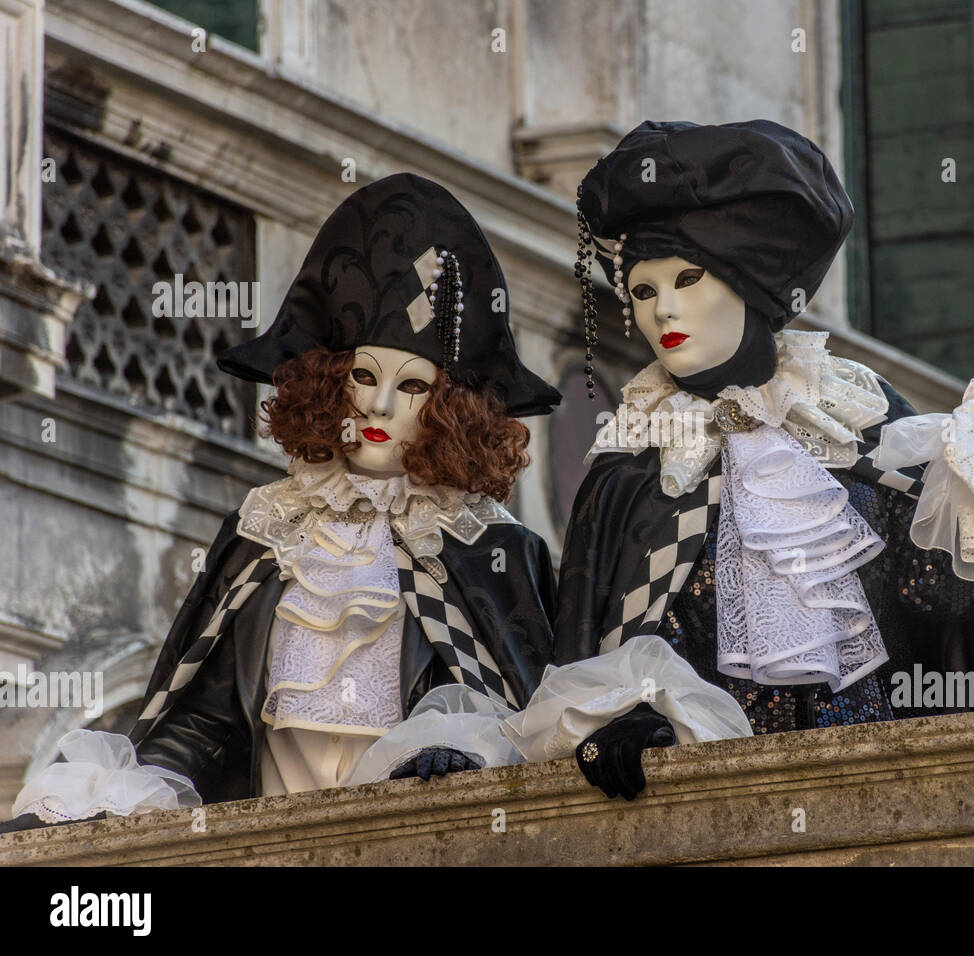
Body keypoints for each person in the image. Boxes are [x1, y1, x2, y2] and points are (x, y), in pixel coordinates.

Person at [502, 120, 974, 801]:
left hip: (867, 791)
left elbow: (938, 601)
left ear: (748, 284)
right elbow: (587, 649)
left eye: (686, 278)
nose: (663, 310)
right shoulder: (630, 464)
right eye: (643, 290)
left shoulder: (853, 421)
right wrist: (623, 715)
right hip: (699, 800)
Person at [6, 173, 560, 830]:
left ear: (451, 407)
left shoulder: (491, 548)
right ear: (328, 382)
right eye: (362, 375)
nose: (380, 405)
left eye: (412, 386)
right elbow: (205, 722)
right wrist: (108, 800)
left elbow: (527, 713)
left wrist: (463, 746)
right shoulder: (266, 530)